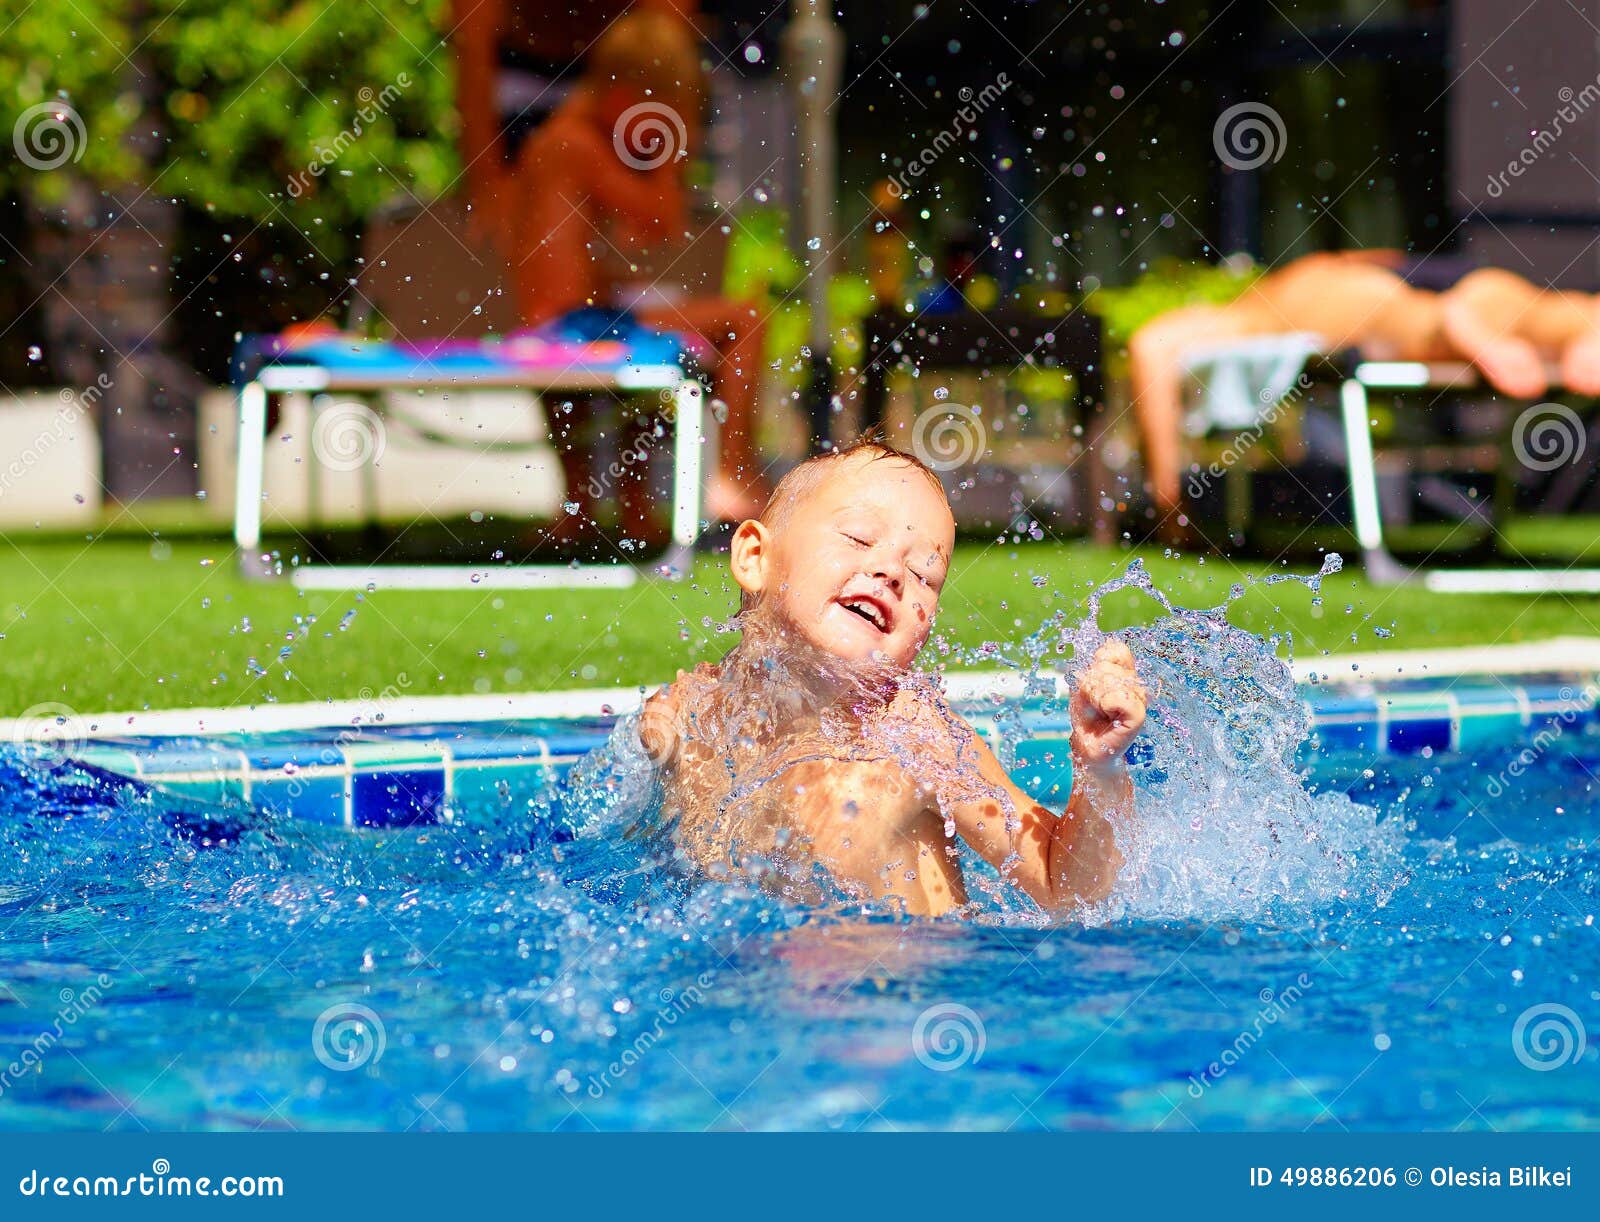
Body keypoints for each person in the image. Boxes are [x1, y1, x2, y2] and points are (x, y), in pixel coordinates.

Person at [637, 439, 1148, 917]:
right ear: (755, 558)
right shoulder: (693, 712)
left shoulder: (918, 738)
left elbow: (1066, 889)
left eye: (925, 575)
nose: (892, 573)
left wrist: (1097, 769)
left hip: (907, 990)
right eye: (859, 537)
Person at [501, 7, 768, 536]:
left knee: (649, 333)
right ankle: (731, 475)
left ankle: (610, 508)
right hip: (567, 328)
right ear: (627, 97)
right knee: (748, 319)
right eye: (659, 113)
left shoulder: (555, 141)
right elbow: (662, 220)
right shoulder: (574, 145)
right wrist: (674, 149)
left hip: (566, 319)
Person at [1127, 251, 1600, 521]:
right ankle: (1574, 327)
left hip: (1370, 294)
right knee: (1507, 310)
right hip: (1382, 288)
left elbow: (1149, 345)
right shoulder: (1260, 308)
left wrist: (1169, 502)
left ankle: (1484, 325)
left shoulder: (1244, 314)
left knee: (1438, 320)